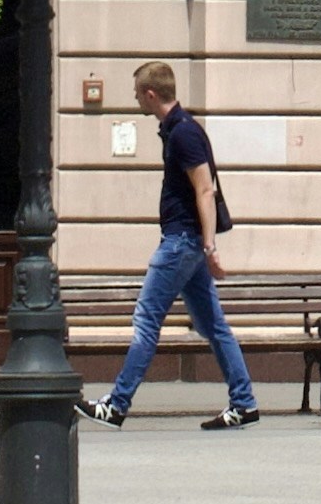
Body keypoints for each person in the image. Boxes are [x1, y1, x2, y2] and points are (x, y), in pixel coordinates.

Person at [98, 61, 259, 430]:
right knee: (213, 326)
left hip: (181, 243)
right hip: (188, 243)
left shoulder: (184, 134)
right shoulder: (180, 129)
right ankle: (244, 403)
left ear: (150, 95)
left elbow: (205, 189)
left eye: (138, 92)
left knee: (146, 321)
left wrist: (208, 246)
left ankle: (117, 404)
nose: (136, 98)